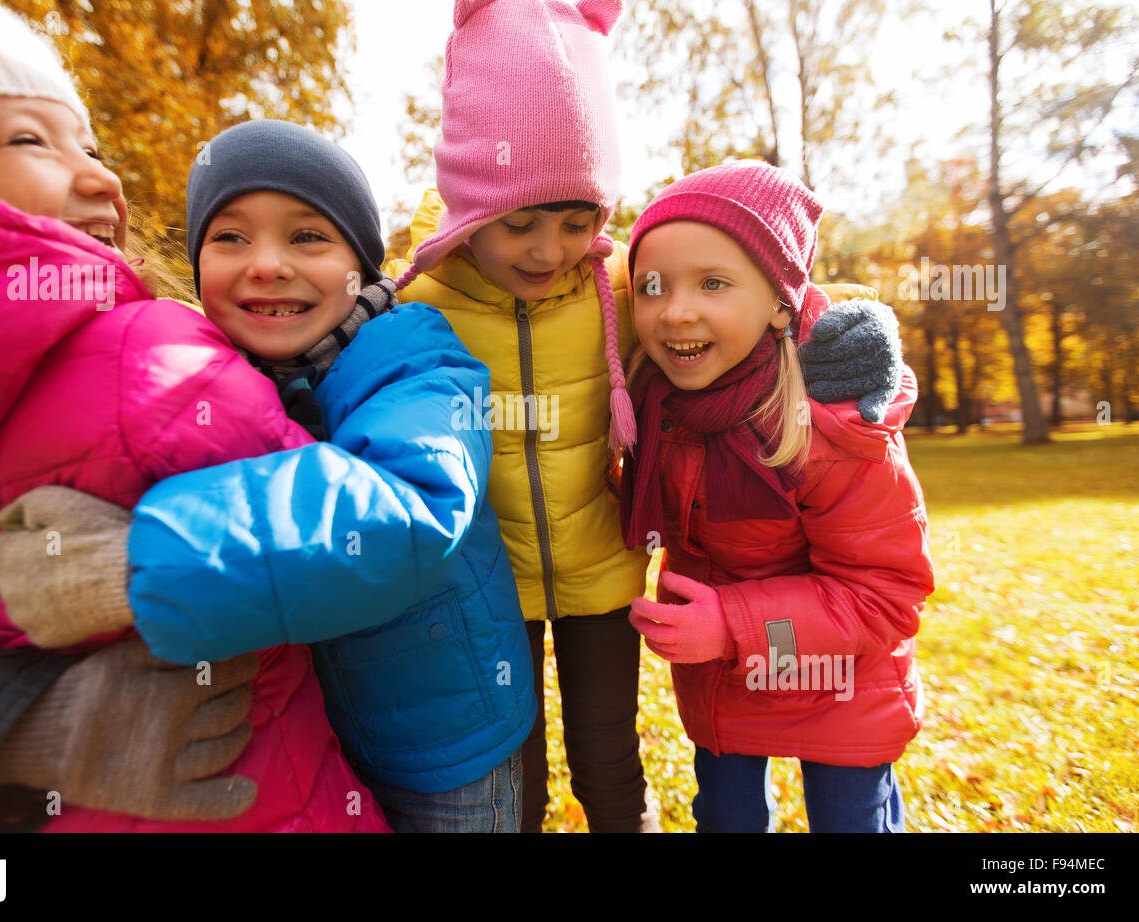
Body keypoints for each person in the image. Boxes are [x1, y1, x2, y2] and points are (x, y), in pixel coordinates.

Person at [0, 0, 386, 833]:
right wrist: (15, 722)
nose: (105, 178)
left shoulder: (119, 344)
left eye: (95, 148)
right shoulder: (149, 349)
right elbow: (380, 524)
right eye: (30, 140)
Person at [385, 0, 904, 832]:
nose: (549, 249)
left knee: (608, 758)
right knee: (508, 771)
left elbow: (747, 309)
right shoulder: (414, 300)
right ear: (469, 198)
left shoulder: (625, 285)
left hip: (600, 573)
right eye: (518, 221)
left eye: (578, 219)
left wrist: (848, 342)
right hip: (484, 585)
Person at [0, 120, 536, 832]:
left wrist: (139, 559)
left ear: (361, 263)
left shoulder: (420, 362)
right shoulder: (220, 379)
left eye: (308, 237)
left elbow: (411, 503)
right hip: (324, 736)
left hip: (446, 749)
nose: (268, 264)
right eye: (231, 238)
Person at [619, 161, 935, 832]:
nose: (675, 310)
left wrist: (733, 626)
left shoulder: (834, 425)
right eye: (653, 286)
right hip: (726, 681)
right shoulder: (655, 402)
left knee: (852, 818)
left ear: (779, 303)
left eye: (714, 283)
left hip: (843, 678)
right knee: (727, 817)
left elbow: (885, 595)